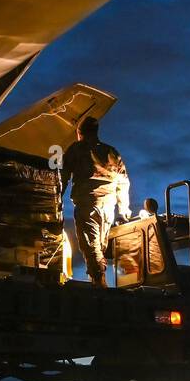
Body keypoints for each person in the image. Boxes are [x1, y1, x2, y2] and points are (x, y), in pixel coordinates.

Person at [62, 115, 130, 287]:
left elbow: (62, 177)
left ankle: (99, 283)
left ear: (80, 133)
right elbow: (123, 180)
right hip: (108, 206)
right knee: (100, 244)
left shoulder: (76, 149)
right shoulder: (111, 152)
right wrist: (124, 208)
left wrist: (56, 198)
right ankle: (97, 278)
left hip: (88, 204)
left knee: (91, 245)